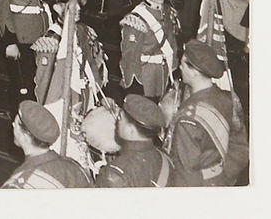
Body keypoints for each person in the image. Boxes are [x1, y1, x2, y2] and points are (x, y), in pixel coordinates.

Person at [168, 40, 247, 186]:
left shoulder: (189, 117)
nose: (180, 67)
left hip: (198, 186)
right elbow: (240, 147)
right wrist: (224, 177)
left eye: (183, 64)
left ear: (194, 73)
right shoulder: (230, 99)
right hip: (221, 180)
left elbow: (186, 173)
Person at [1, 101, 91, 188]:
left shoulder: (18, 185)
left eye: (15, 124)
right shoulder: (75, 168)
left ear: (25, 135)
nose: (13, 125)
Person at [95, 94, 172, 188]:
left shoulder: (115, 174)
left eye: (120, 118)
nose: (116, 121)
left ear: (130, 129)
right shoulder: (165, 158)